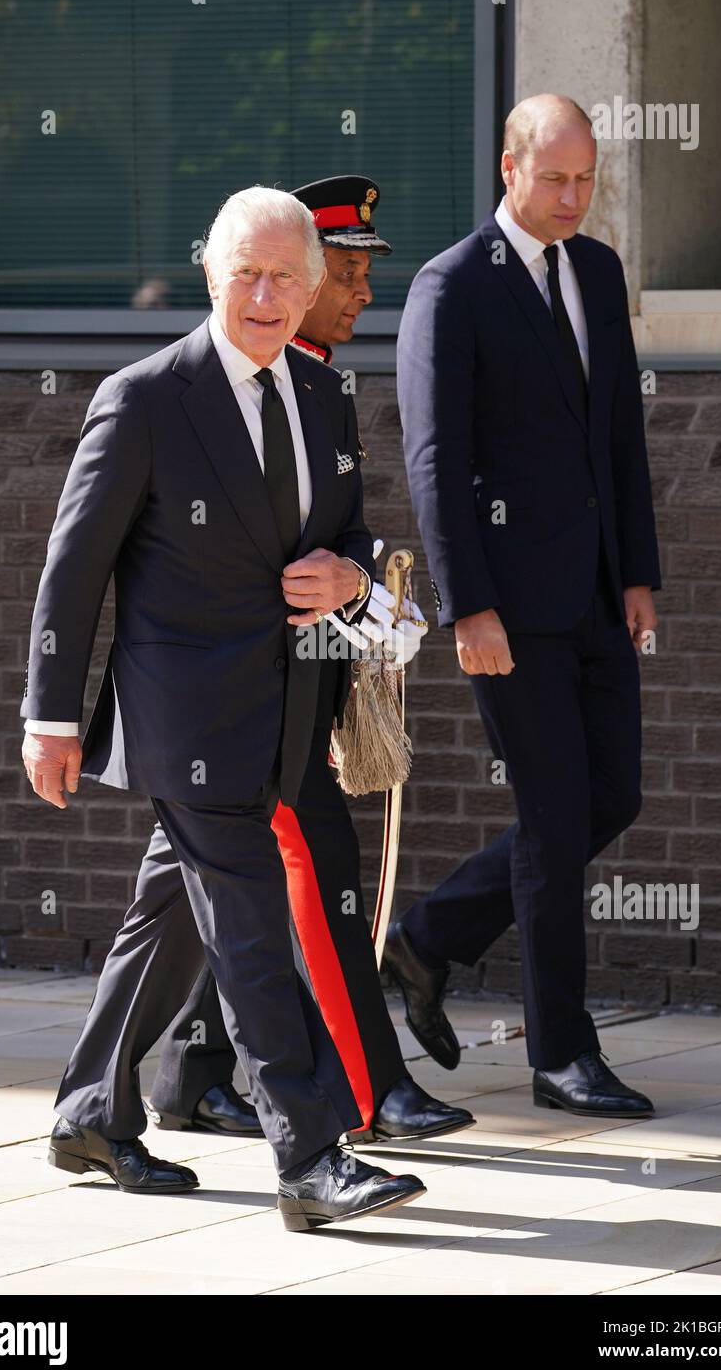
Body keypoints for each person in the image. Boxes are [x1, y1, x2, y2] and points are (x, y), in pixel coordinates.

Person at [22, 186, 429, 1231]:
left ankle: (90, 1110)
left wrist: (347, 578)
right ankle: (311, 1155)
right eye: (245, 273)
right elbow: (74, 569)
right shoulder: (146, 397)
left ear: (313, 284)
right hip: (184, 718)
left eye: (286, 276)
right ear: (210, 274)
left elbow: (343, 535)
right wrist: (50, 715)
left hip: (286, 712)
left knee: (172, 920)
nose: (265, 294)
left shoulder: (324, 394)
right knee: (247, 925)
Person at [127, 177, 469, 1152]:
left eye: (357, 274)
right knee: (314, 875)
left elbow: (333, 547)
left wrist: (362, 615)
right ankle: (367, 1089)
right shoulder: (240, 386)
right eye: (348, 274)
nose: (361, 293)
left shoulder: (317, 385)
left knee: (196, 901)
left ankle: (173, 1077)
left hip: (293, 679)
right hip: (237, 702)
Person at [387, 95, 661, 1119]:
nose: (572, 198)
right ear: (509, 168)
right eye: (554, 179)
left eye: (587, 180)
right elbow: (434, 460)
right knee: (552, 817)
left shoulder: (595, 269)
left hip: (594, 590)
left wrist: (636, 573)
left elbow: (618, 437)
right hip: (508, 605)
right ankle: (561, 1055)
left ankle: (426, 941)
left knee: (611, 798)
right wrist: (469, 605)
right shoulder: (451, 286)